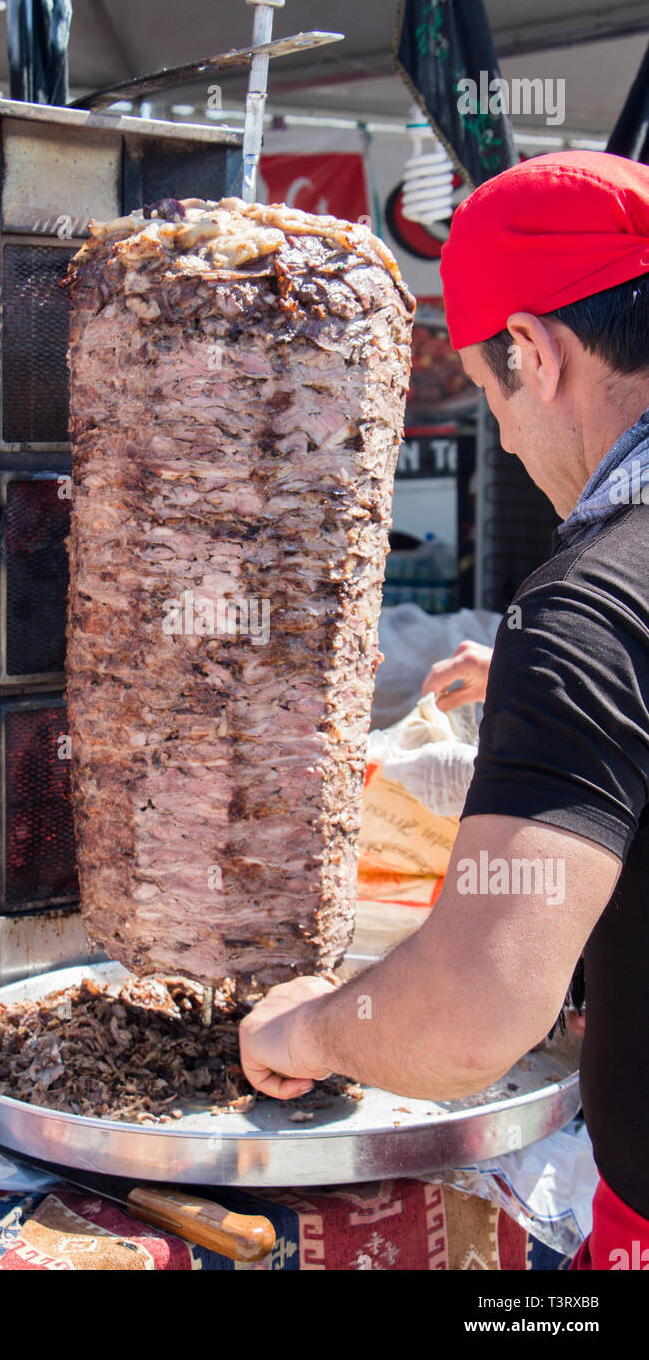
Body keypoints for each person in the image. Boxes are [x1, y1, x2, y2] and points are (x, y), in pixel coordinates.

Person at [239, 151, 649, 1271]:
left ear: (532, 351)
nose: (507, 441)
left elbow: (473, 1010)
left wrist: (308, 1024)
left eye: (485, 389)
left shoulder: (592, 608)